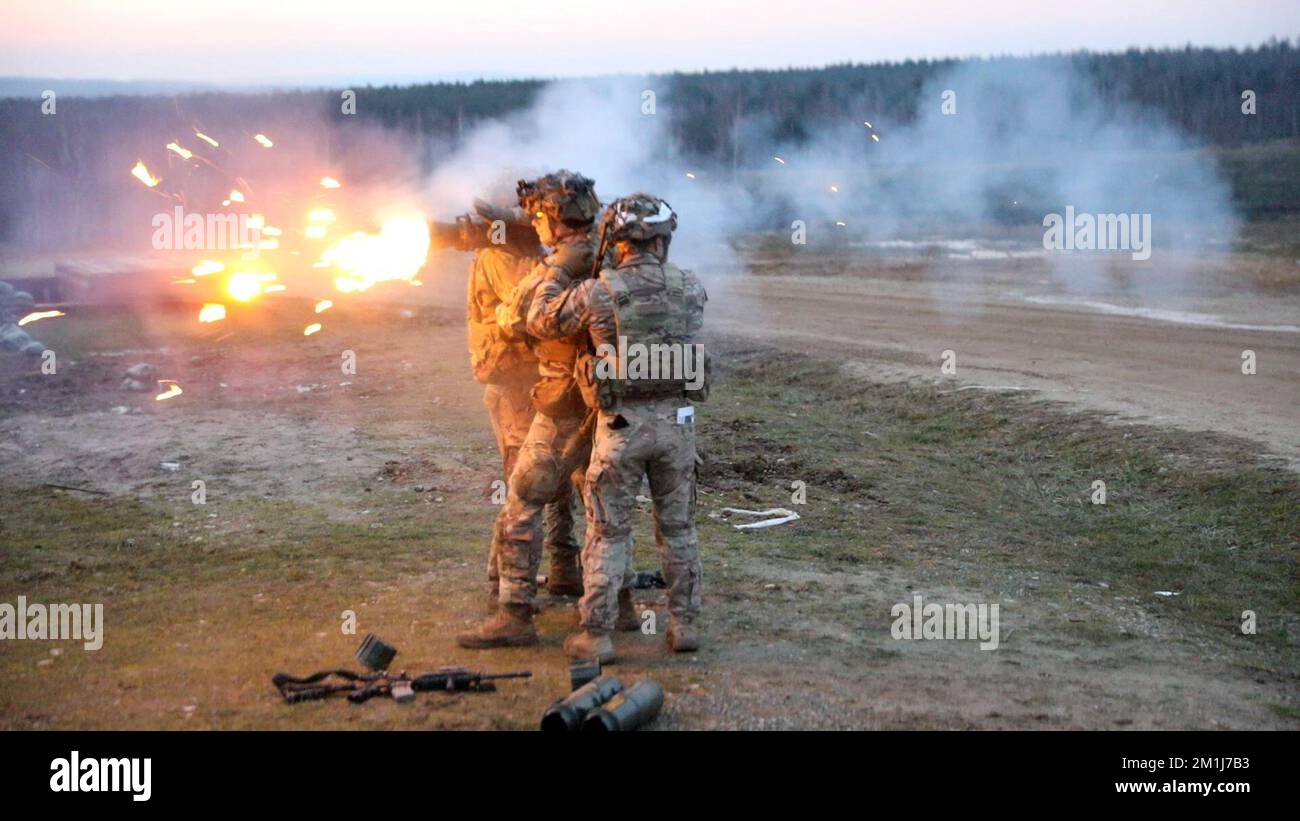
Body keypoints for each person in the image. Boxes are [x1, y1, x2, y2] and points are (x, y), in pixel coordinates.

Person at [526, 193, 708, 663]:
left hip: (620, 427)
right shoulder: (690, 285)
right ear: (664, 239)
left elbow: (539, 320)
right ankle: (684, 626)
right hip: (677, 426)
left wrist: (558, 267)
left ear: (617, 239)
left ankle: (598, 635)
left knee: (608, 533)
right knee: (680, 529)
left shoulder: (598, 292)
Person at [456, 171, 605, 648]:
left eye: (540, 215)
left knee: (525, 494)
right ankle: (607, 603)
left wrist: (548, 272)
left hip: (559, 396)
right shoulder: (610, 251)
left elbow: (530, 316)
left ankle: (513, 610)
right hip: (596, 397)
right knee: (599, 499)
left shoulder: (554, 265)